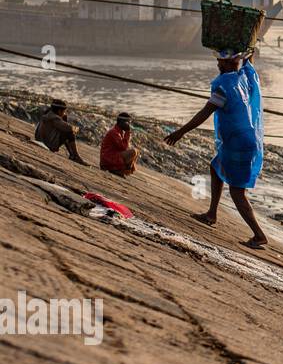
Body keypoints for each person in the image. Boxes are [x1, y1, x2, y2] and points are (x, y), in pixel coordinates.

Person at [164, 48, 269, 249]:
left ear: (229, 64)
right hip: (247, 139)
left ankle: (258, 234)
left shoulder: (223, 87)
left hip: (238, 143)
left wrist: (181, 131)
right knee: (215, 167)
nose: (218, 64)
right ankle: (212, 213)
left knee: (238, 192)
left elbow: (204, 113)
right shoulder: (244, 76)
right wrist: (248, 50)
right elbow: (249, 62)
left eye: (221, 62)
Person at [34, 99, 88, 165]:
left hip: (40, 140)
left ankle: (72, 155)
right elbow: (69, 128)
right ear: (59, 111)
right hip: (47, 144)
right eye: (64, 111)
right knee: (69, 133)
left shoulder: (47, 114)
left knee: (65, 130)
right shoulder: (54, 118)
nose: (64, 113)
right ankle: (76, 156)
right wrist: (76, 129)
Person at [99, 112, 139, 177]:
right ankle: (116, 169)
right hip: (107, 159)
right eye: (128, 122)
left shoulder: (120, 132)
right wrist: (128, 132)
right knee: (133, 152)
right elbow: (124, 147)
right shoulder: (114, 132)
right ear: (121, 122)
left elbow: (124, 147)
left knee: (136, 152)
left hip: (112, 156)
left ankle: (120, 169)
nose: (129, 125)